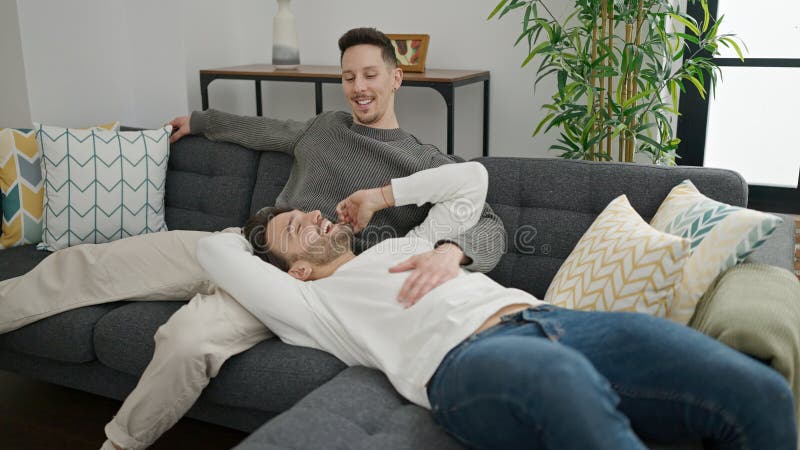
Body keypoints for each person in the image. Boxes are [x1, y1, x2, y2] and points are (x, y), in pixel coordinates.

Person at [0, 28, 506, 450]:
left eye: (370, 75)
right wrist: (198, 121)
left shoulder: (426, 162)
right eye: (348, 77)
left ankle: (119, 443)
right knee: (89, 263)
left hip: (301, 280)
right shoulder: (325, 127)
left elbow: (488, 220)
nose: (358, 88)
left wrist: (451, 252)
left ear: (396, 78)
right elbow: (261, 129)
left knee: (187, 341)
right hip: (240, 243)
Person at [197, 161, 796, 450]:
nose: (313, 217)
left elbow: (472, 182)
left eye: (308, 211)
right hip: (468, 364)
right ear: (294, 269)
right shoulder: (310, 301)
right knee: (561, 379)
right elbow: (212, 251)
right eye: (296, 229)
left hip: (553, 320)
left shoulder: (406, 244)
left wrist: (388, 200)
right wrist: (264, 226)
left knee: (760, 392)